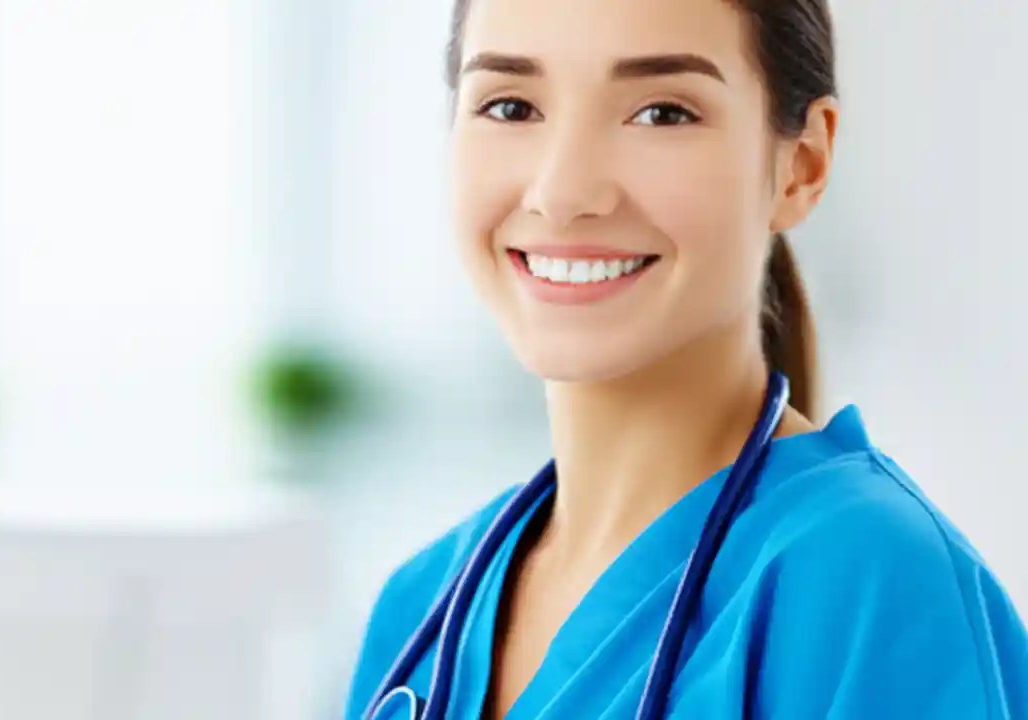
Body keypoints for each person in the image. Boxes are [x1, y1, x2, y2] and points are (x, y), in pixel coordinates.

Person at [343, 0, 1028, 717]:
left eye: (662, 113)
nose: (563, 192)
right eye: (511, 106)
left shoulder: (872, 584)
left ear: (802, 164)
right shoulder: (419, 613)